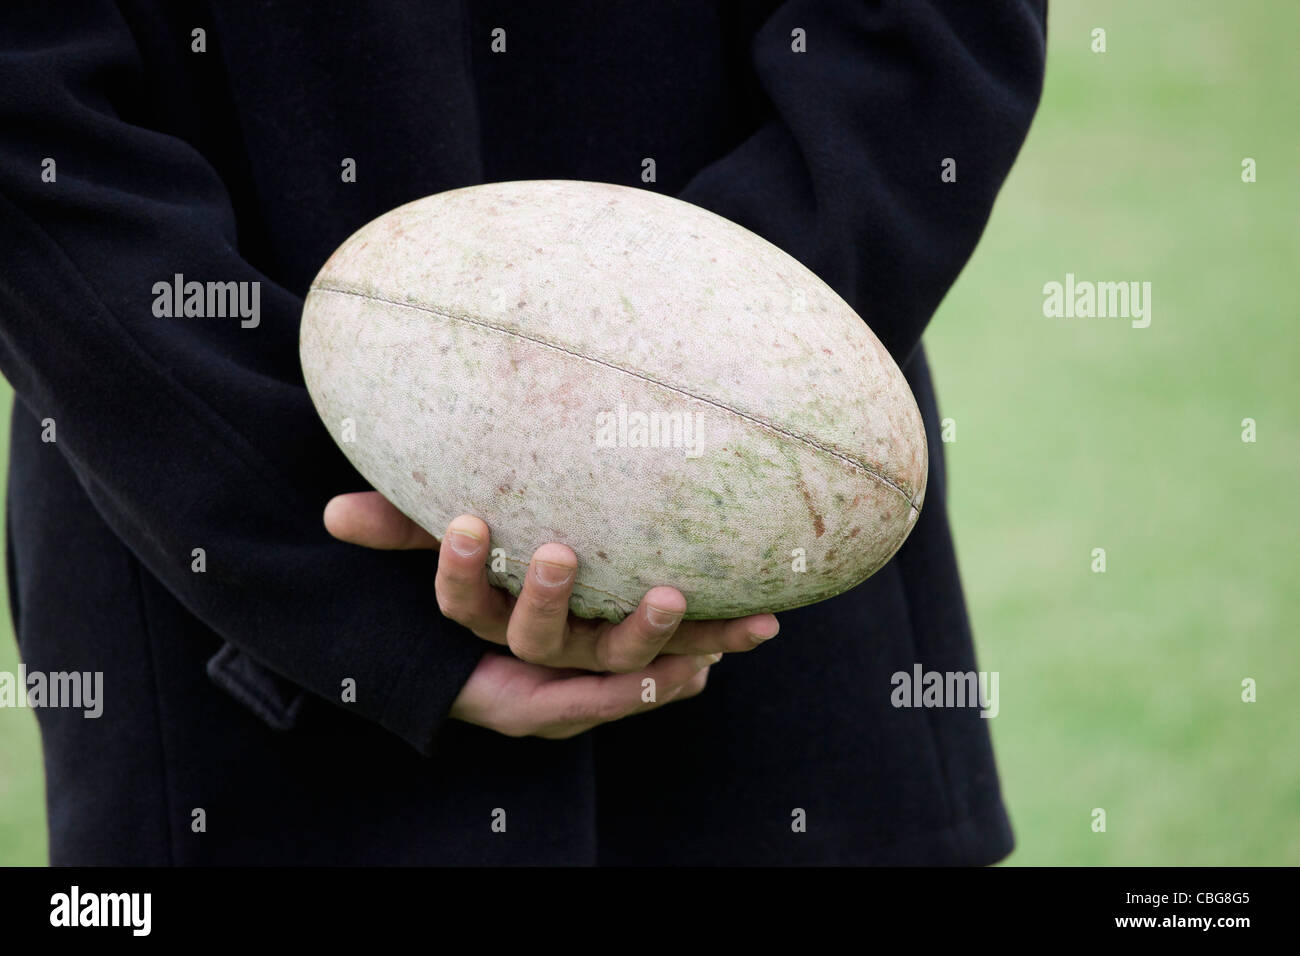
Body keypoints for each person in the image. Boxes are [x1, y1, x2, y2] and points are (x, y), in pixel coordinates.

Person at [0, 1, 1046, 864]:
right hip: (232, 623)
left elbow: (930, 38)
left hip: (770, 647)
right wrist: (327, 551)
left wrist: (693, 420)